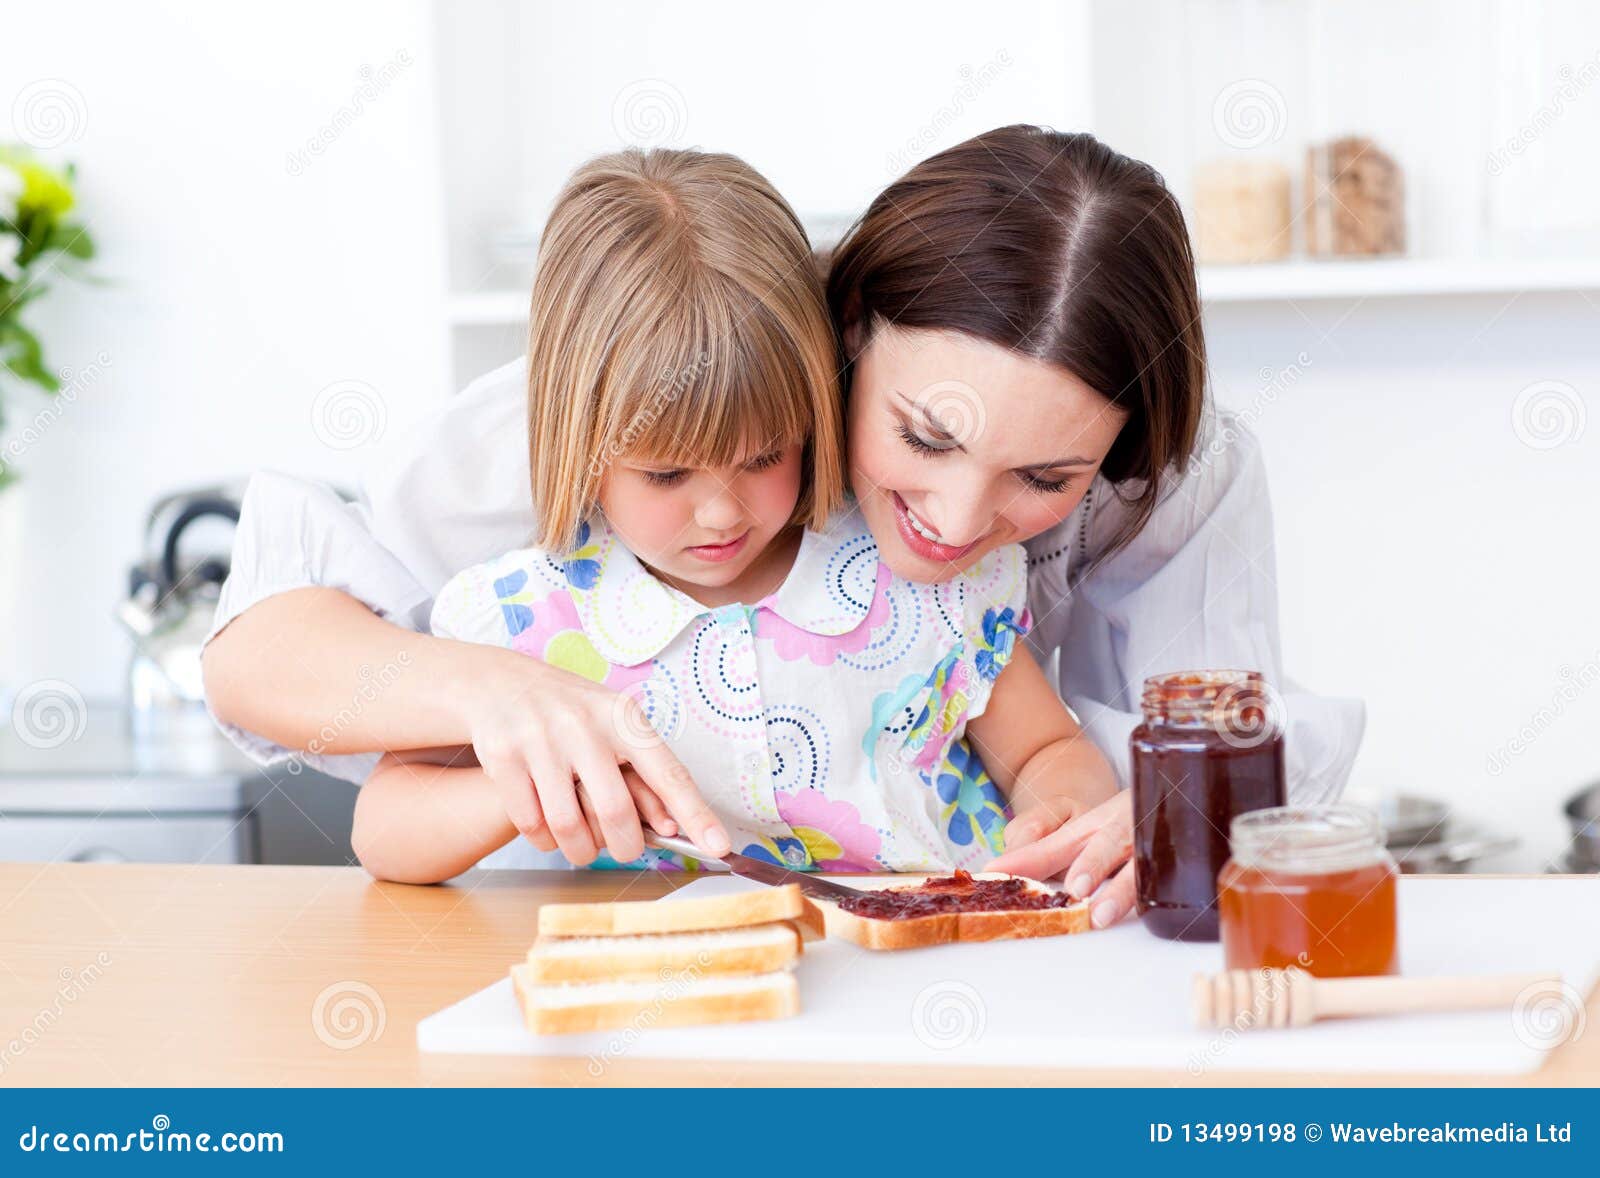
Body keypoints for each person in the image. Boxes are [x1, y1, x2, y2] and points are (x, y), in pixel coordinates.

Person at [203, 125, 1362, 928]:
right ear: (843, 334)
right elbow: (266, 651)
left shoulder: (1143, 479)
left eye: (1045, 476)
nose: (961, 526)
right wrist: (490, 701)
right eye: (924, 437)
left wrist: (1123, 812)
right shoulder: (635, 394)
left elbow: (1205, 748)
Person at [350, 147, 1116, 884]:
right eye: (666, 472)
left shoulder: (923, 581)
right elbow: (384, 828)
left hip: (936, 953)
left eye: (763, 458)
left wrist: (1058, 807)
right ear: (577, 440)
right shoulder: (525, 620)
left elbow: (1047, 748)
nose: (721, 513)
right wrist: (523, 788)